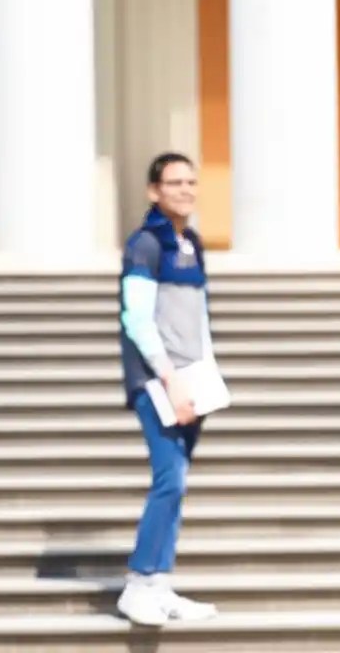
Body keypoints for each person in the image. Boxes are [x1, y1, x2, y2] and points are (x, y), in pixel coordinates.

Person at [115, 152, 220, 626]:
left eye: (191, 182)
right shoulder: (146, 244)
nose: (185, 190)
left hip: (193, 381)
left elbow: (197, 319)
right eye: (174, 182)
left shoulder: (191, 242)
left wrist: (207, 374)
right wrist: (171, 380)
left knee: (176, 485)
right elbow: (136, 318)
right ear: (154, 191)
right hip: (159, 382)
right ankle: (138, 583)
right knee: (169, 479)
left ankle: (160, 584)